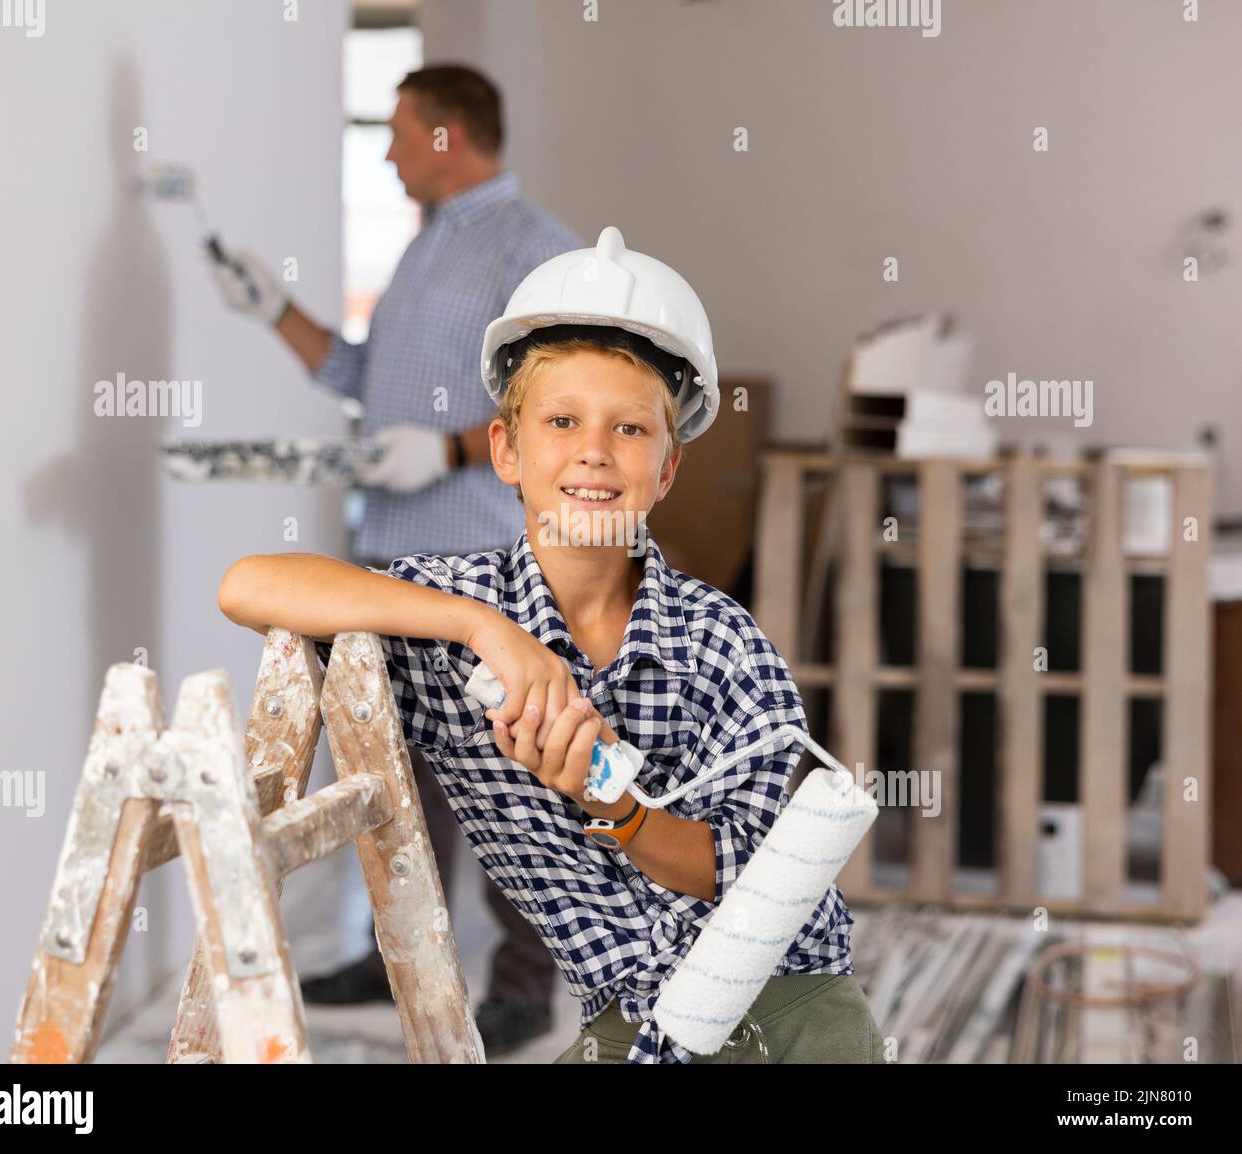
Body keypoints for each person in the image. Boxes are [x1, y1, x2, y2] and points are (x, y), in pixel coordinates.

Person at [217, 226, 885, 1063]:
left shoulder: (721, 641)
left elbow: (757, 873)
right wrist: (484, 629)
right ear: (508, 450)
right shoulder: (452, 621)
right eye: (562, 421)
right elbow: (247, 585)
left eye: (631, 431)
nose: (594, 454)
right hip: (635, 1023)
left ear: (668, 468)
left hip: (789, 1007)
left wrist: (622, 811)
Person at [207, 63, 581, 1054]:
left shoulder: (535, 250)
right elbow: (365, 380)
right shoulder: (425, 250)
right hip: (388, 561)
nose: (388, 150)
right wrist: (270, 308)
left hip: (481, 564)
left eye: (402, 131)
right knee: (394, 776)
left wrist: (453, 449)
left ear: (451, 135)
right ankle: (394, 950)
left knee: (501, 784)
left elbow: (568, 400)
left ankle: (521, 988)